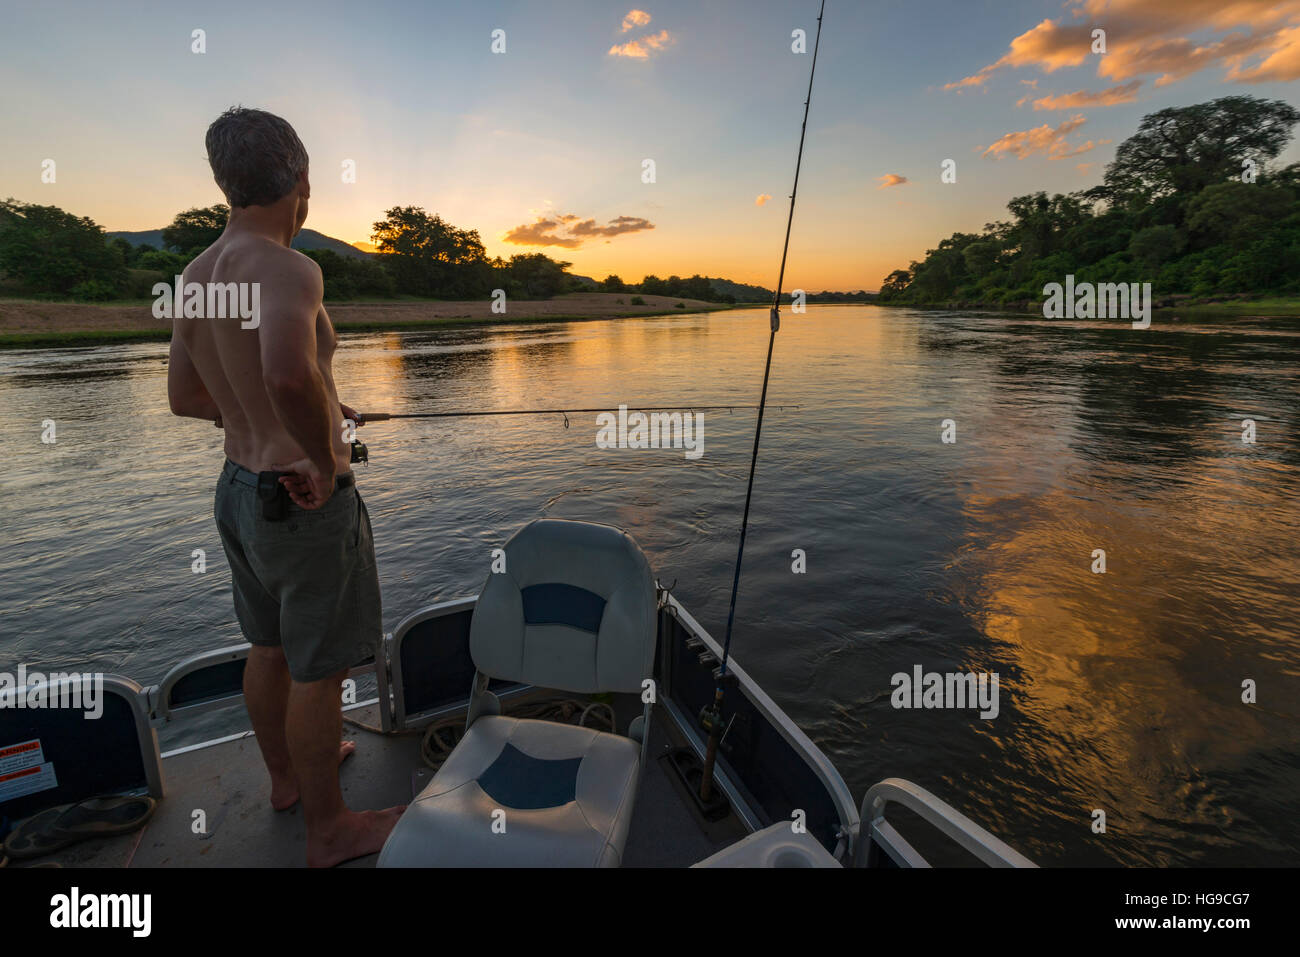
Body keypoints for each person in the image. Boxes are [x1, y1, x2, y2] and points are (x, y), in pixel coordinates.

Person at [166, 106, 403, 866]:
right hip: (300, 504)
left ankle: (283, 780)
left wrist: (318, 411)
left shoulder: (198, 277)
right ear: (300, 179)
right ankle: (330, 831)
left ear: (225, 183)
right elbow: (283, 371)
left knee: (266, 645)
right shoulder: (292, 267)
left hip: (237, 490)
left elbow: (189, 397)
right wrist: (325, 458)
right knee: (320, 666)